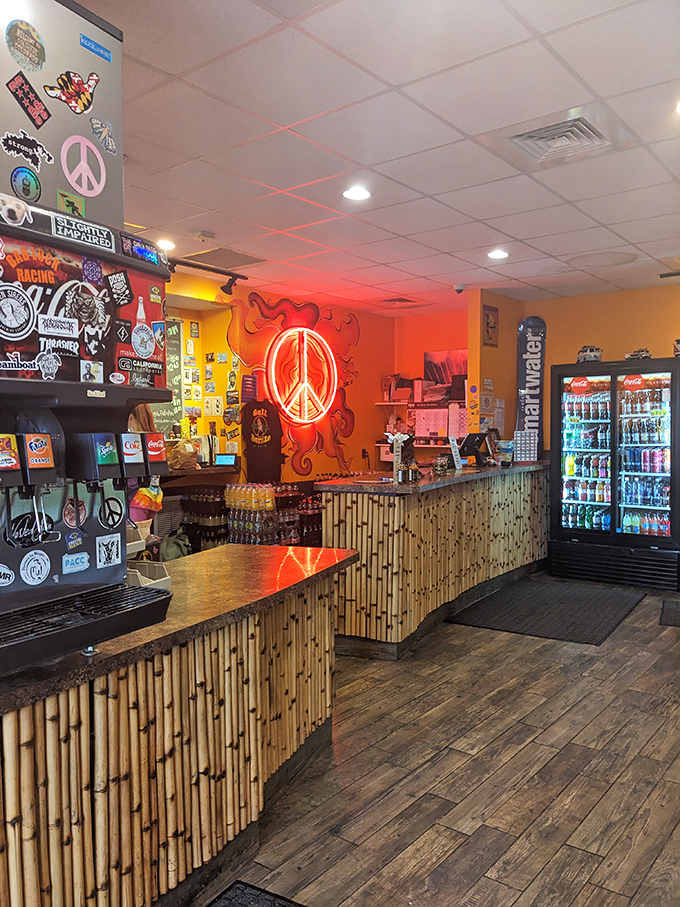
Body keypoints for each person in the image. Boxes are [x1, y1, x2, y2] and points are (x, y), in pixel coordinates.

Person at [127, 404, 163, 525]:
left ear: (130, 417)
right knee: (145, 535)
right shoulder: (154, 438)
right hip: (153, 497)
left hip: (137, 500)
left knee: (135, 539)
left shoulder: (132, 441)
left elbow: (132, 481)